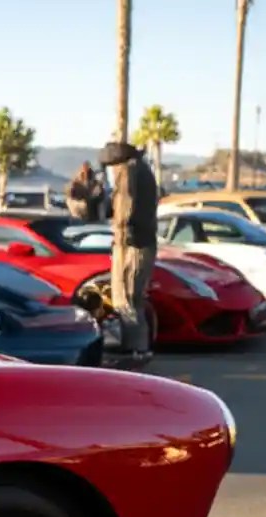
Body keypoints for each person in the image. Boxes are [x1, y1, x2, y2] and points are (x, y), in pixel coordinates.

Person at [99, 140, 158, 362]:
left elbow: (125, 209)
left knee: (126, 298)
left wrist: (121, 239)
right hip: (140, 242)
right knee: (132, 299)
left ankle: (136, 350)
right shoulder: (142, 169)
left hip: (132, 245)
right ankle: (136, 347)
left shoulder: (129, 171)